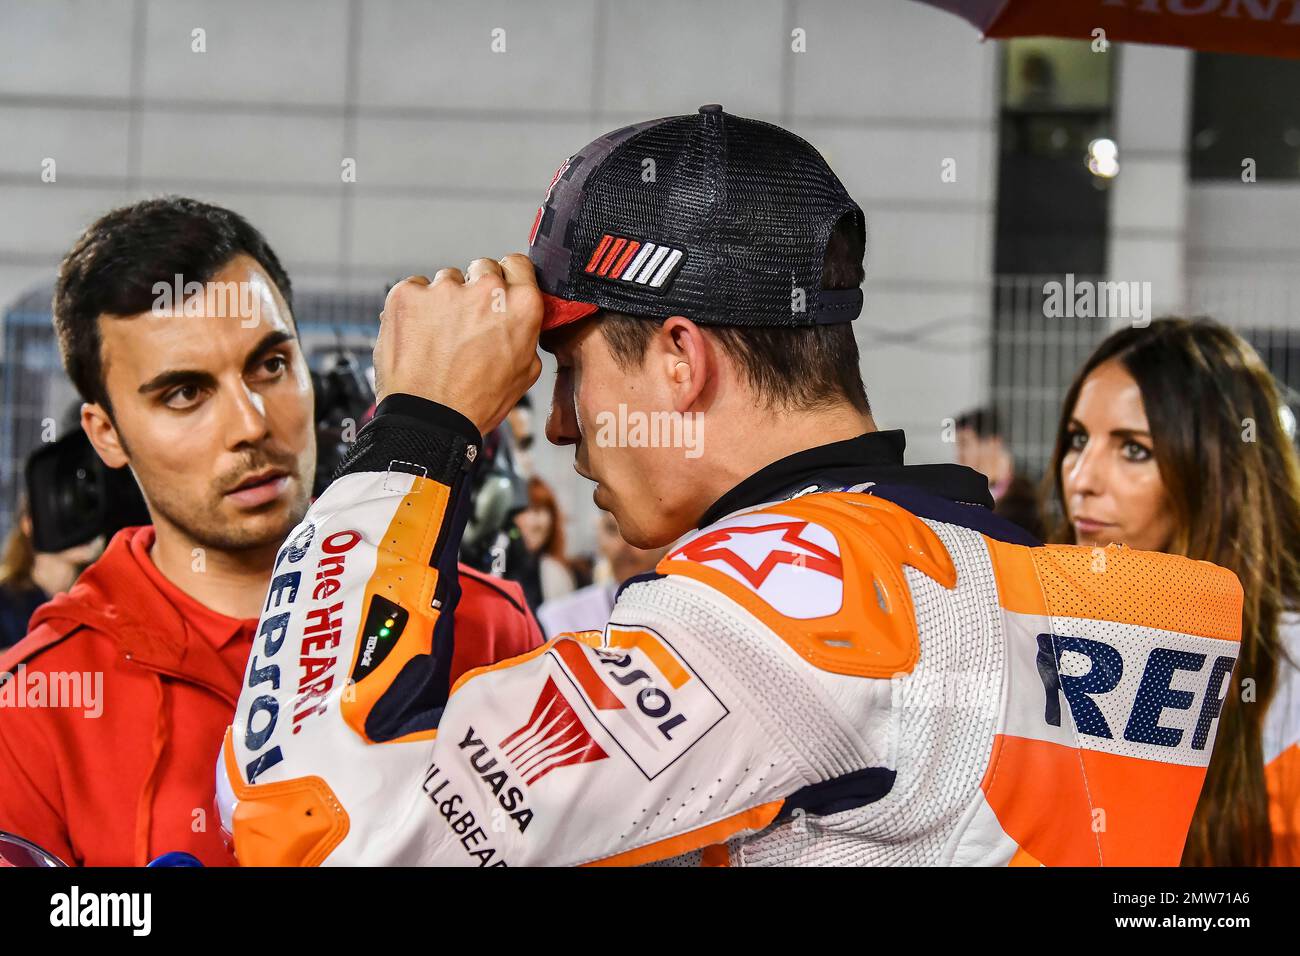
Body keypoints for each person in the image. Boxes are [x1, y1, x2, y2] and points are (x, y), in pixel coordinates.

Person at [219, 106, 1241, 867]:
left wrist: (417, 427)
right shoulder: (978, 571)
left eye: (570, 369)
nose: (561, 423)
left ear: (680, 357)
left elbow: (321, 826)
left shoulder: (801, 602)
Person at [0, 197, 541, 867]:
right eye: (184, 393)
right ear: (106, 434)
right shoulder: (36, 702)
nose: (251, 423)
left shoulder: (486, 622)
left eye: (270, 365)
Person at [1049, 317, 1300, 866]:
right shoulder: (1035, 625)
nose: (1082, 479)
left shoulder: (1288, 664)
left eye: (1134, 450)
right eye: (1077, 439)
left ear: (1217, 472)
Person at [537, 510, 669, 638]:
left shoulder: (677, 609)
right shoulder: (559, 618)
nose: (623, 543)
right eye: (612, 529)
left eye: (638, 531)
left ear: (669, 539)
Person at [0, 497, 101, 649]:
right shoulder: (5, 605)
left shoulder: (102, 599)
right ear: (29, 523)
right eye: (66, 513)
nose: (83, 527)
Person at [954, 407, 1043, 540]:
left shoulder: (1032, 491)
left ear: (993, 443)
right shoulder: (967, 493)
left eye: (964, 444)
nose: (959, 455)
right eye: (957, 446)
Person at [512, 475, 576, 609]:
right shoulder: (499, 566)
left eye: (544, 511)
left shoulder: (555, 573)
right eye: (531, 510)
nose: (539, 522)